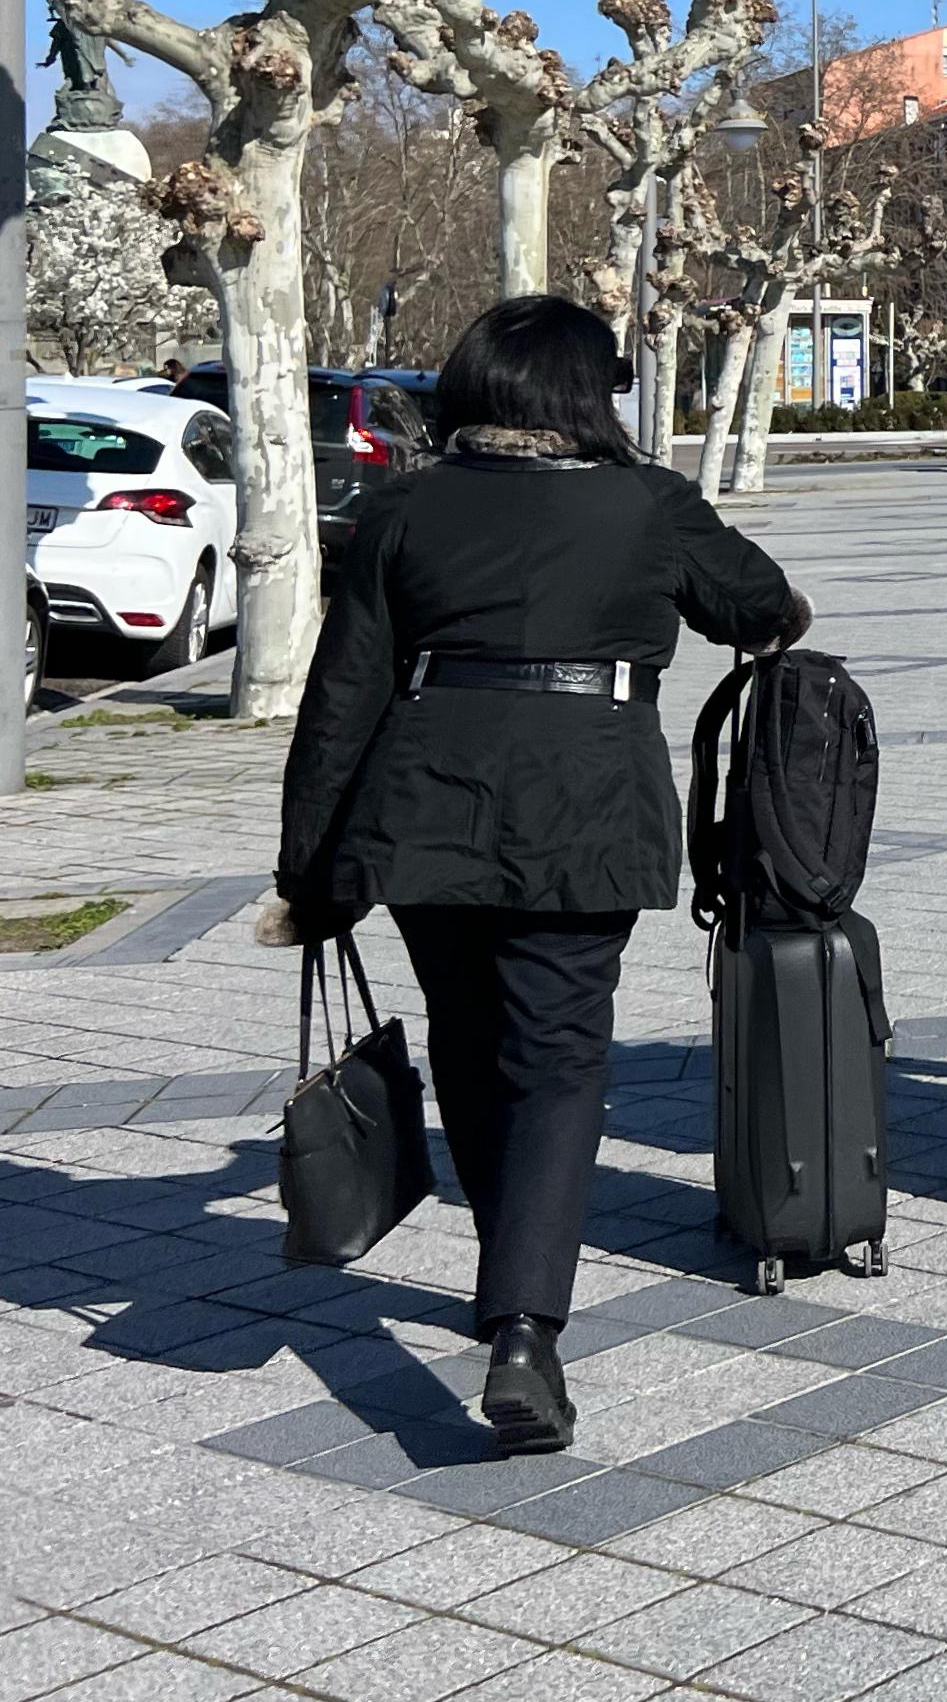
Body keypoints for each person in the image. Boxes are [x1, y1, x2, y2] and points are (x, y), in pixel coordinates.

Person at [263, 295, 804, 1455]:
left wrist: (308, 870)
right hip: (589, 806)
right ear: (581, 395)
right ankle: (522, 1331)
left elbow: (342, 699)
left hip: (427, 808)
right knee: (558, 1061)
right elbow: (767, 609)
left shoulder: (402, 509)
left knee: (469, 1045)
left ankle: (505, 1278)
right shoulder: (648, 502)